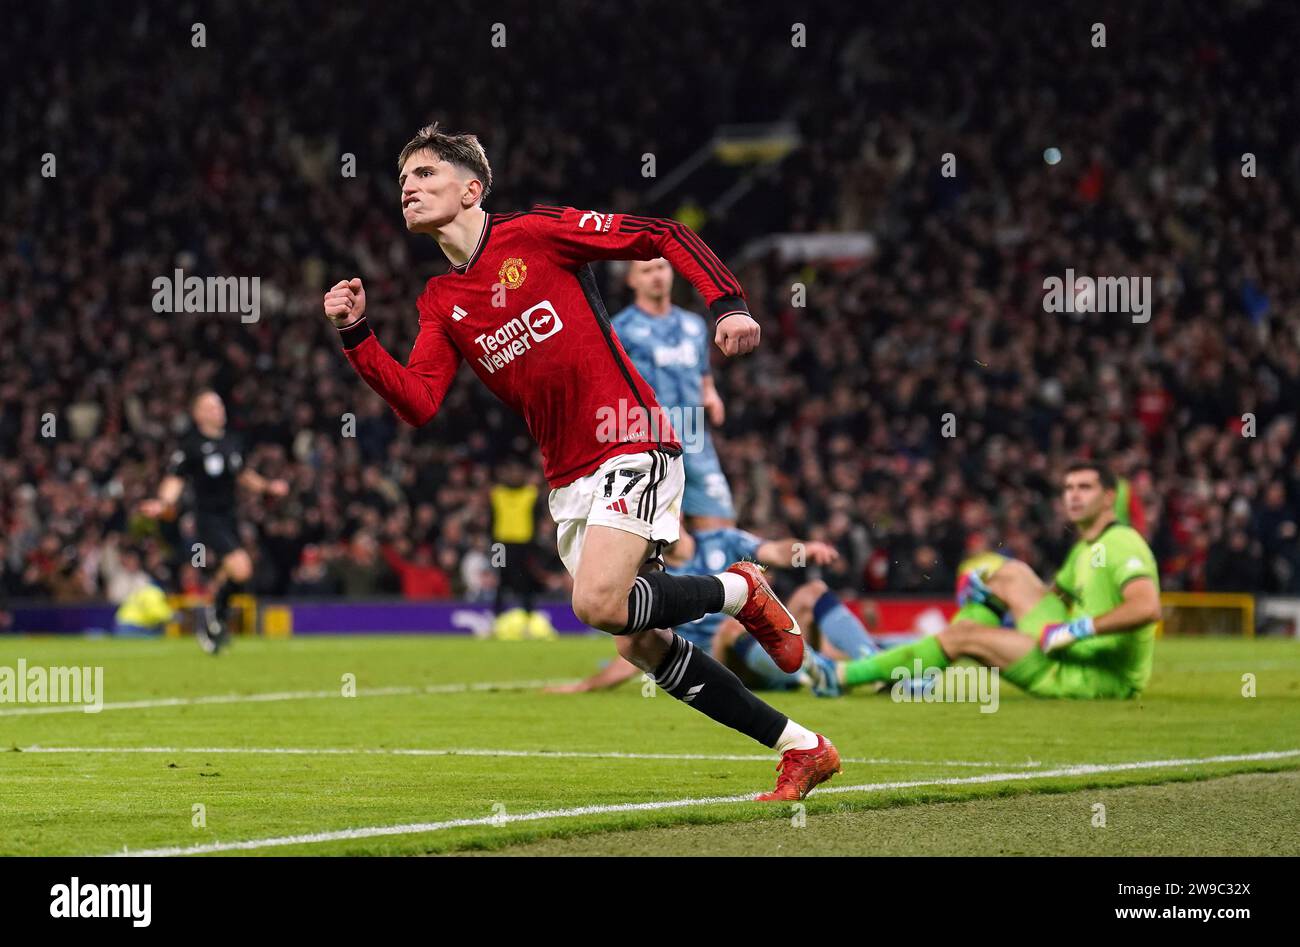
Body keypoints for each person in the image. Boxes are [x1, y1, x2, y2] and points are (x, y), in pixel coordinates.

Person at [321, 123, 840, 800]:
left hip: (631, 437)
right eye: (403, 181)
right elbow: (419, 402)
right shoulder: (440, 301)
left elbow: (661, 232)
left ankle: (740, 588)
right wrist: (357, 336)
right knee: (638, 645)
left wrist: (728, 304)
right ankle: (804, 746)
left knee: (596, 601)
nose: (408, 189)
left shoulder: (535, 232)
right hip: (568, 478)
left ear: (472, 188)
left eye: (425, 175)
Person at [809, 460, 1161, 700]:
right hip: (1071, 650)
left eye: (1085, 487)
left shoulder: (1122, 542)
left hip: (1094, 676)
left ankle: (842, 676)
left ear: (1109, 498)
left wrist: (1077, 629)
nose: (1073, 495)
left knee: (962, 636)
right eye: (1069, 487)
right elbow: (1054, 593)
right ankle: (915, 670)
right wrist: (989, 591)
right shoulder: (1085, 548)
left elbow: (1147, 608)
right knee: (1012, 573)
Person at [546, 526, 878, 694]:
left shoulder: (722, 540)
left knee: (813, 592)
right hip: (725, 660)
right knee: (732, 628)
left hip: (775, 645)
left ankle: (873, 665)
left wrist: (806, 549)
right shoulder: (649, 577)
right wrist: (585, 686)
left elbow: (773, 550)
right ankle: (827, 674)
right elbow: (637, 652)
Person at [140, 391, 288, 653]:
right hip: (208, 518)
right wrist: (162, 503)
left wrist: (267, 487)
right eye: (210, 407)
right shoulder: (191, 445)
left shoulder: (232, 441)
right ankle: (214, 617)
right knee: (241, 569)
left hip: (231, 516)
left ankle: (213, 617)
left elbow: (243, 475)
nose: (218, 411)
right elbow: (175, 479)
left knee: (237, 571)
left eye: (219, 405)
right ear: (198, 414)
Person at [612, 258, 735, 529]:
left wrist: (710, 393)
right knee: (667, 537)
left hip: (697, 442)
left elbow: (702, 370)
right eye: (646, 270)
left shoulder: (694, 325)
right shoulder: (620, 329)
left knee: (722, 528)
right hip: (654, 447)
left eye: (661, 267)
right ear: (631, 280)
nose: (656, 275)